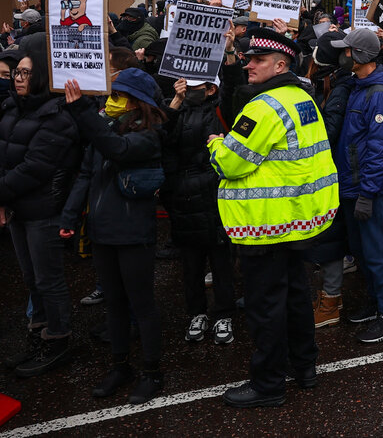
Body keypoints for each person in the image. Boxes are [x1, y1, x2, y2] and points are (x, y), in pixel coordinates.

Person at [207, 27, 339, 408]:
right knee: (296, 296)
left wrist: (216, 146)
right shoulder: (303, 98)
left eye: (258, 60)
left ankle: (268, 385)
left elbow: (231, 163)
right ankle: (304, 367)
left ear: (280, 65)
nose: (249, 65)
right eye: (248, 59)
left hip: (265, 225)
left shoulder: (262, 107)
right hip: (297, 220)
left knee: (266, 306)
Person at [59, 68, 167, 404]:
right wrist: (70, 216)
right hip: (102, 231)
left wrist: (81, 109)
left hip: (133, 234)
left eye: (117, 95)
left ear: (136, 101)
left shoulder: (150, 133)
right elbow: (86, 174)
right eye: (110, 94)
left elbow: (116, 149)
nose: (110, 101)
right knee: (115, 304)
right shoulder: (104, 127)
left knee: (141, 304)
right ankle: (120, 367)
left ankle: (152, 372)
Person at [0, 44, 81, 377]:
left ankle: (58, 340)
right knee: (31, 278)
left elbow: (35, 168)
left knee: (49, 280)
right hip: (16, 207)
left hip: (43, 210)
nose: (18, 78)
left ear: (43, 77)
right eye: (16, 72)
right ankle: (39, 334)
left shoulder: (57, 117)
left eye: (25, 73)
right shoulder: (11, 108)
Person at [323, 28, 383, 343]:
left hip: (366, 188)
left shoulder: (379, 94)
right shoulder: (359, 85)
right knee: (361, 252)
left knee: (377, 253)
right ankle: (375, 303)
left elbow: (379, 149)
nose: (342, 55)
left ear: (359, 55)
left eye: (347, 50)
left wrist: (369, 194)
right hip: (351, 186)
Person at [162, 77, 236, 346]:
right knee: (191, 264)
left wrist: (230, 59)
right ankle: (197, 313)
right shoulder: (175, 108)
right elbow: (161, 139)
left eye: (192, 88)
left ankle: (224, 314)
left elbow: (234, 89)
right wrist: (175, 102)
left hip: (216, 195)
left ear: (211, 88)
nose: (188, 92)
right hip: (184, 197)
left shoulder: (222, 110)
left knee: (221, 262)